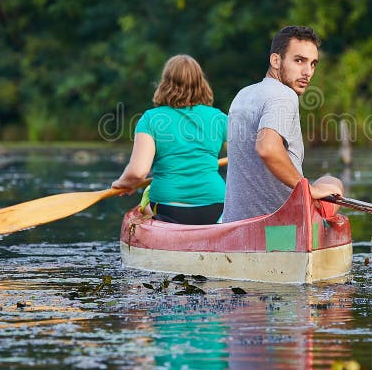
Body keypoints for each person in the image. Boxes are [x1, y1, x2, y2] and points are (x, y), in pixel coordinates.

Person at [222, 26, 344, 223]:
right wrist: (309, 190)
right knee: (333, 181)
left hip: (235, 223)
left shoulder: (242, 94)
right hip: (283, 224)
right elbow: (267, 148)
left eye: (313, 64)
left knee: (327, 182)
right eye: (299, 61)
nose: (308, 72)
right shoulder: (284, 95)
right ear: (276, 60)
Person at [111, 54, 227, 224]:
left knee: (145, 197)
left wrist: (123, 182)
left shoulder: (151, 118)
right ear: (202, 83)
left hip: (169, 208)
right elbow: (246, 160)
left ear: (165, 83)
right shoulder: (219, 118)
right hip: (217, 206)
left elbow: (138, 172)